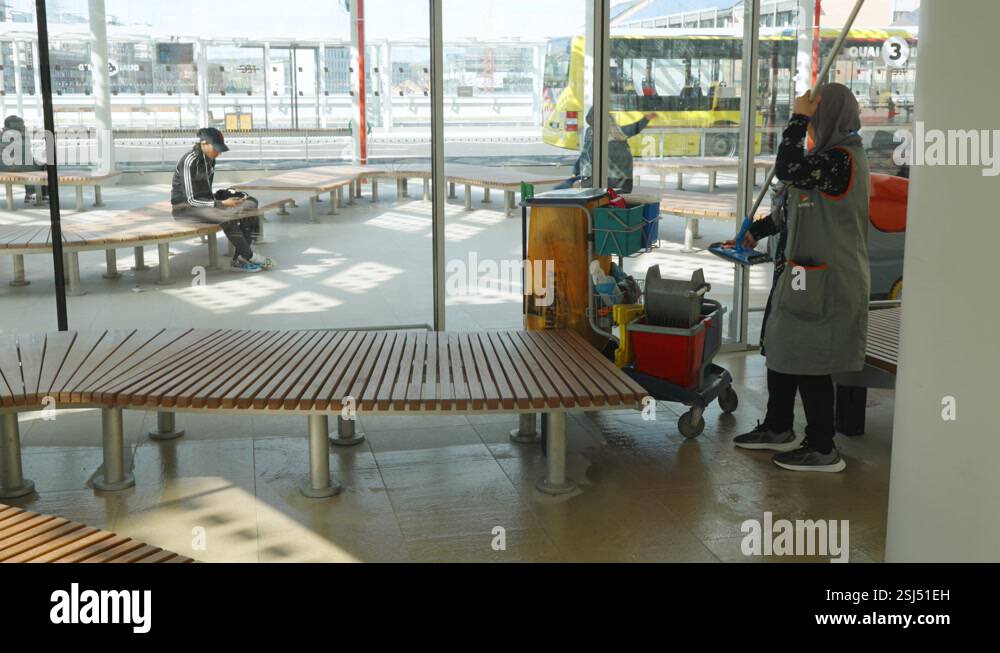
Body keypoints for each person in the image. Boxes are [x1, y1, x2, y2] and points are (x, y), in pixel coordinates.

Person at [729, 83, 871, 473]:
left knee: (810, 358)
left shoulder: (843, 160)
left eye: (814, 120)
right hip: (801, 275)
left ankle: (823, 448)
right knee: (782, 345)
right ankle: (778, 427)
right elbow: (791, 208)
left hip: (828, 279)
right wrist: (756, 231)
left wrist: (796, 118)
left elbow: (788, 168)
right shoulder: (823, 159)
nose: (809, 129)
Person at [171, 127, 272, 272]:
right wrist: (221, 204)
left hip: (206, 202)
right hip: (185, 209)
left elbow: (205, 190)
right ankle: (249, 256)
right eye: (216, 149)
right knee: (227, 217)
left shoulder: (210, 159)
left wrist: (227, 197)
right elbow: (190, 200)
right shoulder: (189, 161)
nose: (218, 153)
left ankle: (240, 257)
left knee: (250, 202)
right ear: (204, 144)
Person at [556, 108, 656, 192]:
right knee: (564, 189)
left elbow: (587, 155)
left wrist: (576, 173)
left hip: (605, 183)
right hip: (614, 183)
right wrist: (576, 170)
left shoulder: (598, 135)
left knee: (561, 190)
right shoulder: (618, 133)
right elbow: (633, 128)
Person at [1, 115, 48, 204]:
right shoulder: (19, 136)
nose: (23, 127)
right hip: (15, 167)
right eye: (21, 125)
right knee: (43, 165)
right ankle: (37, 194)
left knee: (31, 163)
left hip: (3, 167)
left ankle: (32, 194)